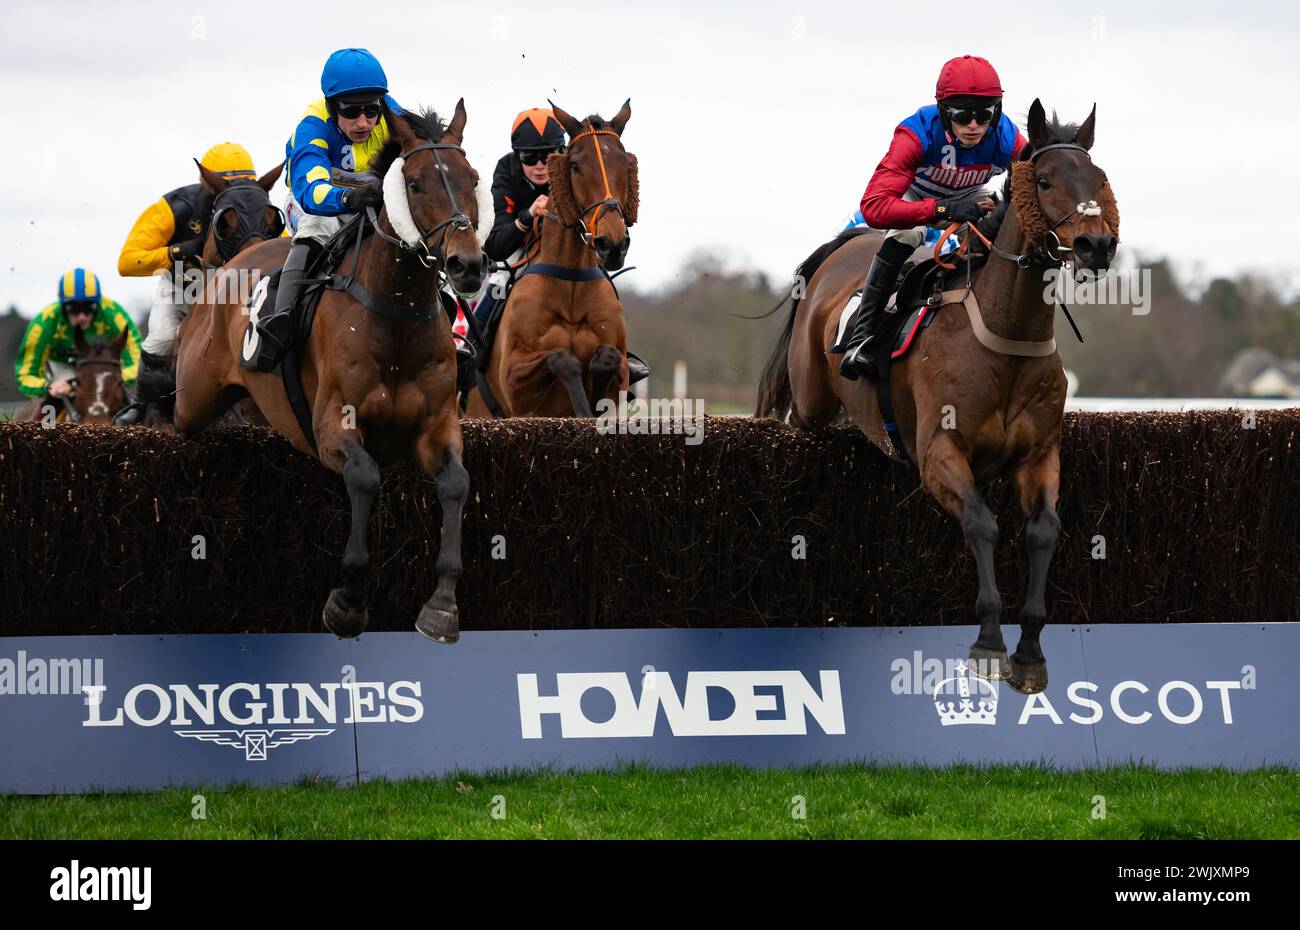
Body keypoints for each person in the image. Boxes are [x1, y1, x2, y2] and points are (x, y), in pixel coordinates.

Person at [836, 55, 1028, 381]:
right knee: (908, 236)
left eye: (984, 115)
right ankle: (861, 337)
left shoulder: (1006, 136)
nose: (973, 126)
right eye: (963, 115)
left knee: (1005, 222)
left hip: (969, 199)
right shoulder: (916, 133)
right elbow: (875, 207)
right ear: (943, 111)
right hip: (913, 198)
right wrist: (942, 209)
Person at [244, 48, 399, 372]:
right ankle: (281, 318)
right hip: (313, 202)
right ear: (332, 107)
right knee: (319, 224)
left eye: (371, 111)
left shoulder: (390, 114)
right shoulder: (312, 126)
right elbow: (311, 188)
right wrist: (346, 199)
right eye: (352, 112)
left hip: (370, 200)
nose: (363, 122)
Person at [114, 142, 261, 424]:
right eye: (226, 188)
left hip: (233, 293)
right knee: (162, 338)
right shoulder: (174, 207)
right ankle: (141, 406)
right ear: (206, 183)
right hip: (183, 289)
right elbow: (127, 261)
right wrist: (176, 251)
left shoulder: (257, 208)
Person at [15, 269, 141, 416]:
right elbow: (25, 374)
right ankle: (38, 436)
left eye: (88, 309)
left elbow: (137, 361)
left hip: (101, 368)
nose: (82, 317)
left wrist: (113, 379)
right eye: (74, 309)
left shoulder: (114, 314)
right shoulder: (43, 323)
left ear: (97, 305)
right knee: (52, 402)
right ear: (62, 306)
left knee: (121, 402)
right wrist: (49, 388)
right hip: (61, 369)